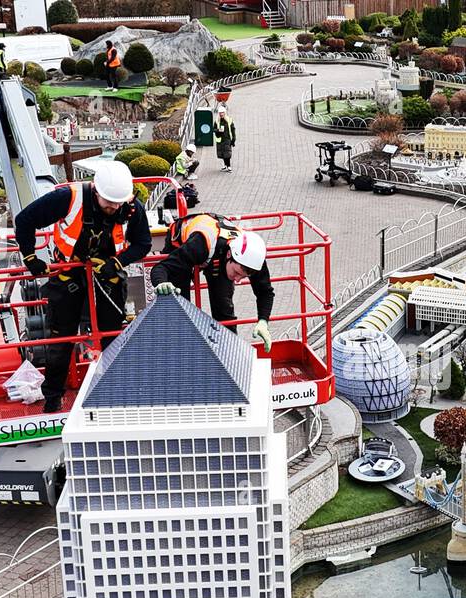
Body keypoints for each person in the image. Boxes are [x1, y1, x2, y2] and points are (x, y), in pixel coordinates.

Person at [15, 161, 151, 413]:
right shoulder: (68, 198)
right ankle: (53, 395)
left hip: (108, 278)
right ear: (96, 191)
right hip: (68, 276)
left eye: (117, 203)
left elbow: (143, 243)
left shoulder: (131, 208)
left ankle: (114, 389)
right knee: (62, 337)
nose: (113, 208)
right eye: (108, 202)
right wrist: (30, 257)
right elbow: (24, 220)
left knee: (111, 334)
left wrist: (117, 262)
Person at [150, 213, 274, 352]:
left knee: (224, 309)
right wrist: (162, 283)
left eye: (243, 277)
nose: (238, 280)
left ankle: (230, 355)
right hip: (183, 243)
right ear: (229, 255)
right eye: (237, 273)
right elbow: (161, 268)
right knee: (179, 305)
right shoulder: (200, 244)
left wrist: (263, 321)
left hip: (216, 256)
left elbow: (265, 291)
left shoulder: (252, 258)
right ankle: (181, 351)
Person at [214, 106, 236, 172]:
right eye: (220, 113)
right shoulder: (217, 121)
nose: (221, 114)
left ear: (225, 113)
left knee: (227, 153)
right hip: (220, 139)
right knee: (222, 153)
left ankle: (228, 166)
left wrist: (234, 138)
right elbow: (213, 129)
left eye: (222, 113)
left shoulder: (229, 120)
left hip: (227, 139)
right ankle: (225, 165)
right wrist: (218, 130)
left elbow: (233, 129)